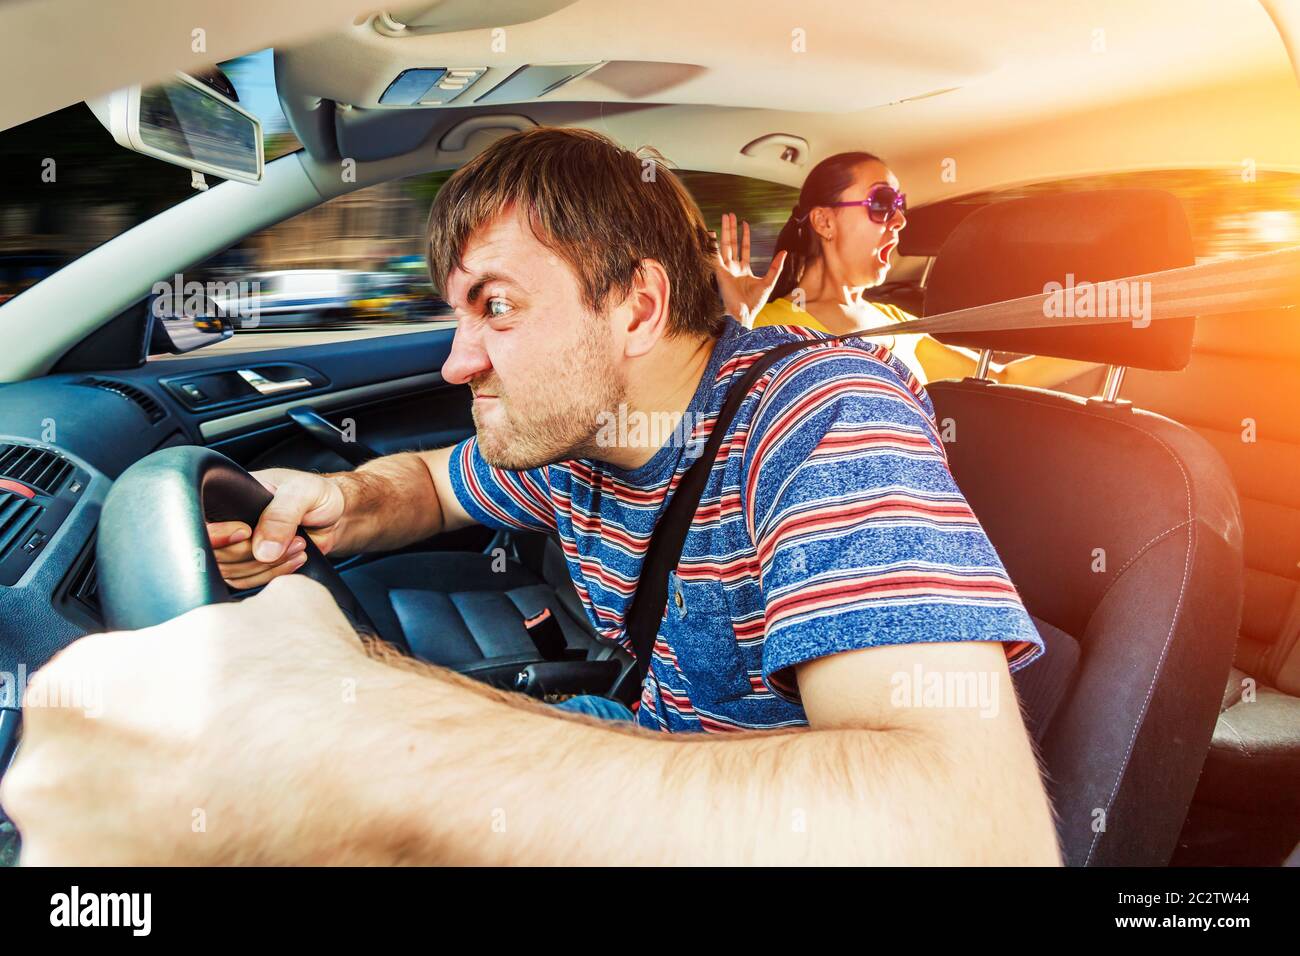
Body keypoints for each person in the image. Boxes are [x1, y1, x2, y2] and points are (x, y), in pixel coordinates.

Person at [2, 127, 1060, 865]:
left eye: (498, 306)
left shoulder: (825, 417)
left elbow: (969, 833)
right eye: (459, 312)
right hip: (634, 739)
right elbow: (428, 481)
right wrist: (333, 499)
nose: (460, 361)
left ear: (638, 303)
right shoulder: (583, 430)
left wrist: (360, 756)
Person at [712, 152, 1095, 386]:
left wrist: (1107, 331)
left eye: (899, 206)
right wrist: (736, 323)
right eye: (881, 203)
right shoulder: (765, 324)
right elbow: (716, 426)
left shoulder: (898, 324)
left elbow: (1000, 379)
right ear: (824, 222)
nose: (898, 220)